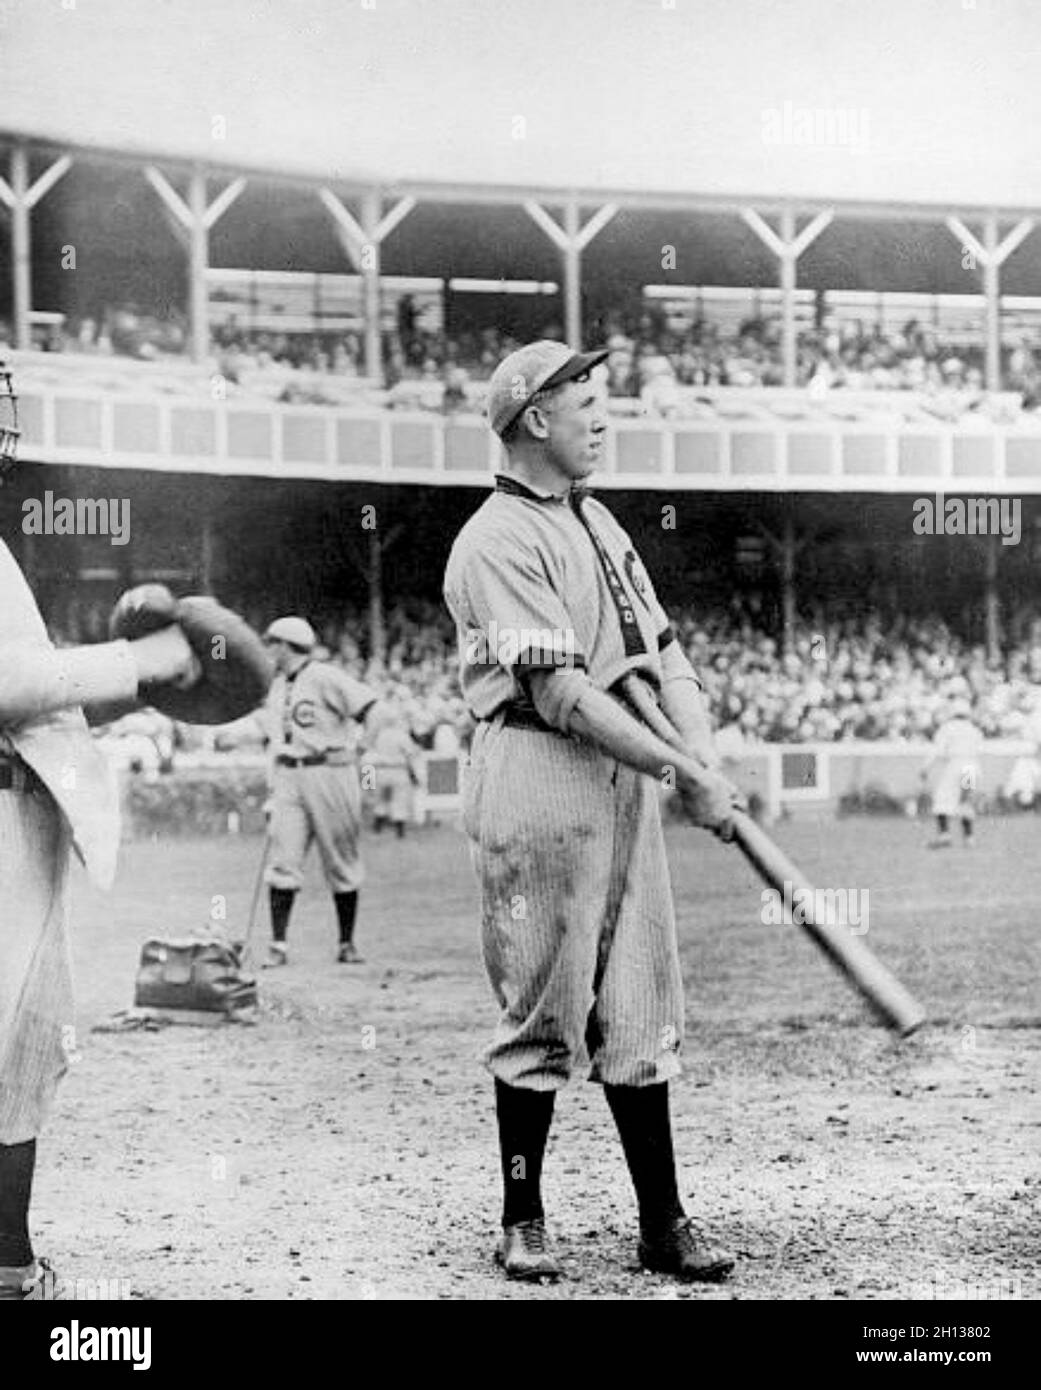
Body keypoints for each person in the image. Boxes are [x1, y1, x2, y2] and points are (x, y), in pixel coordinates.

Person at [443, 339, 742, 1284]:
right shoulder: (494, 539)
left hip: (621, 782)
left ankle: (663, 1222)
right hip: (536, 773)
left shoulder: (603, 525)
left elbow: (665, 651)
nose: (604, 418)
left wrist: (697, 756)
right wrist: (673, 767)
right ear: (536, 418)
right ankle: (522, 1218)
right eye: (588, 403)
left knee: (639, 1003)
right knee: (542, 1004)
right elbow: (562, 694)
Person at [0, 536, 201, 1300]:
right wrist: (139, 660)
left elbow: (31, 704)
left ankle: (9, 1263)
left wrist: (140, 688)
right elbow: (7, 682)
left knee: (26, 1039)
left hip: (19, 802)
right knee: (16, 1035)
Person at [259, 616, 381, 966]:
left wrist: (361, 752)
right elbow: (276, 740)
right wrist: (273, 787)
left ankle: (346, 943)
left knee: (341, 859)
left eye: (272, 642)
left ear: (286, 645)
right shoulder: (278, 685)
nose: (268, 649)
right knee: (283, 858)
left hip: (329, 770)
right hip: (289, 773)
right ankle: (278, 945)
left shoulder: (325, 676)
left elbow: (373, 710)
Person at [920, 698, 984, 848]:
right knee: (965, 801)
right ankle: (969, 838)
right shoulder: (974, 729)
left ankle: (944, 835)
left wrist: (925, 768)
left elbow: (937, 750)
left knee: (942, 799)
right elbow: (980, 749)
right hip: (971, 768)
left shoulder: (947, 728)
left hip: (956, 765)